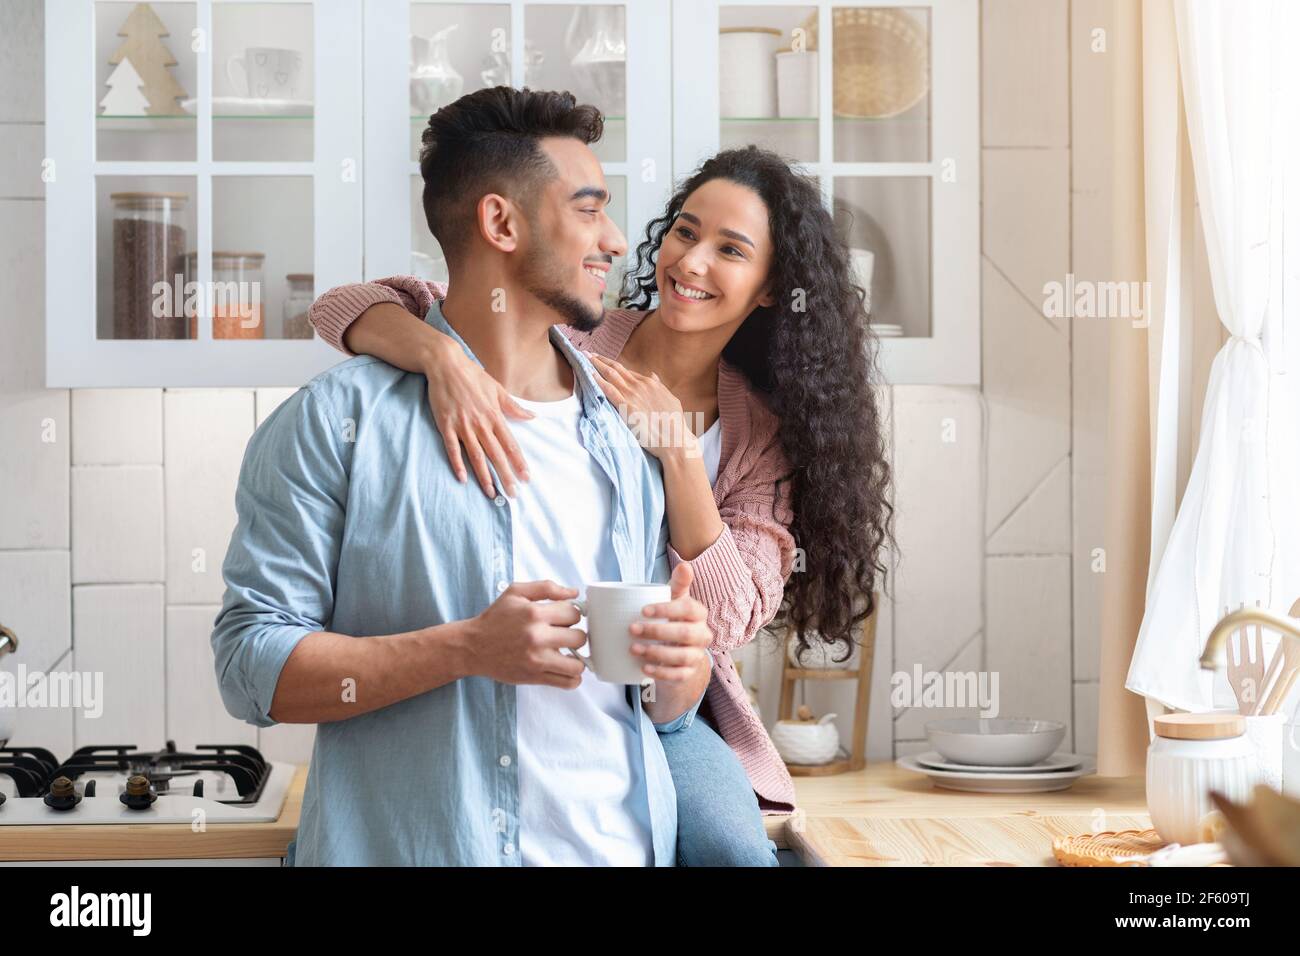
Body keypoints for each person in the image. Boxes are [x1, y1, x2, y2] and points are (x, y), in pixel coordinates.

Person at [306, 145, 894, 864]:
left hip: (664, 710)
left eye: (730, 250)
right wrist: (441, 356)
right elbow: (341, 305)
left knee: (734, 853)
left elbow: (731, 619)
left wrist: (677, 452)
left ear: (771, 288)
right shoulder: (569, 330)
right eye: (685, 230)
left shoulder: (757, 433)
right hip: (523, 674)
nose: (692, 262)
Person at [211, 87, 718, 866]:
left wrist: (678, 674)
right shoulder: (338, 423)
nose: (617, 240)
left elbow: (648, 702)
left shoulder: (626, 431)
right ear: (501, 223)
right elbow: (252, 669)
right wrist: (465, 649)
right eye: (589, 209)